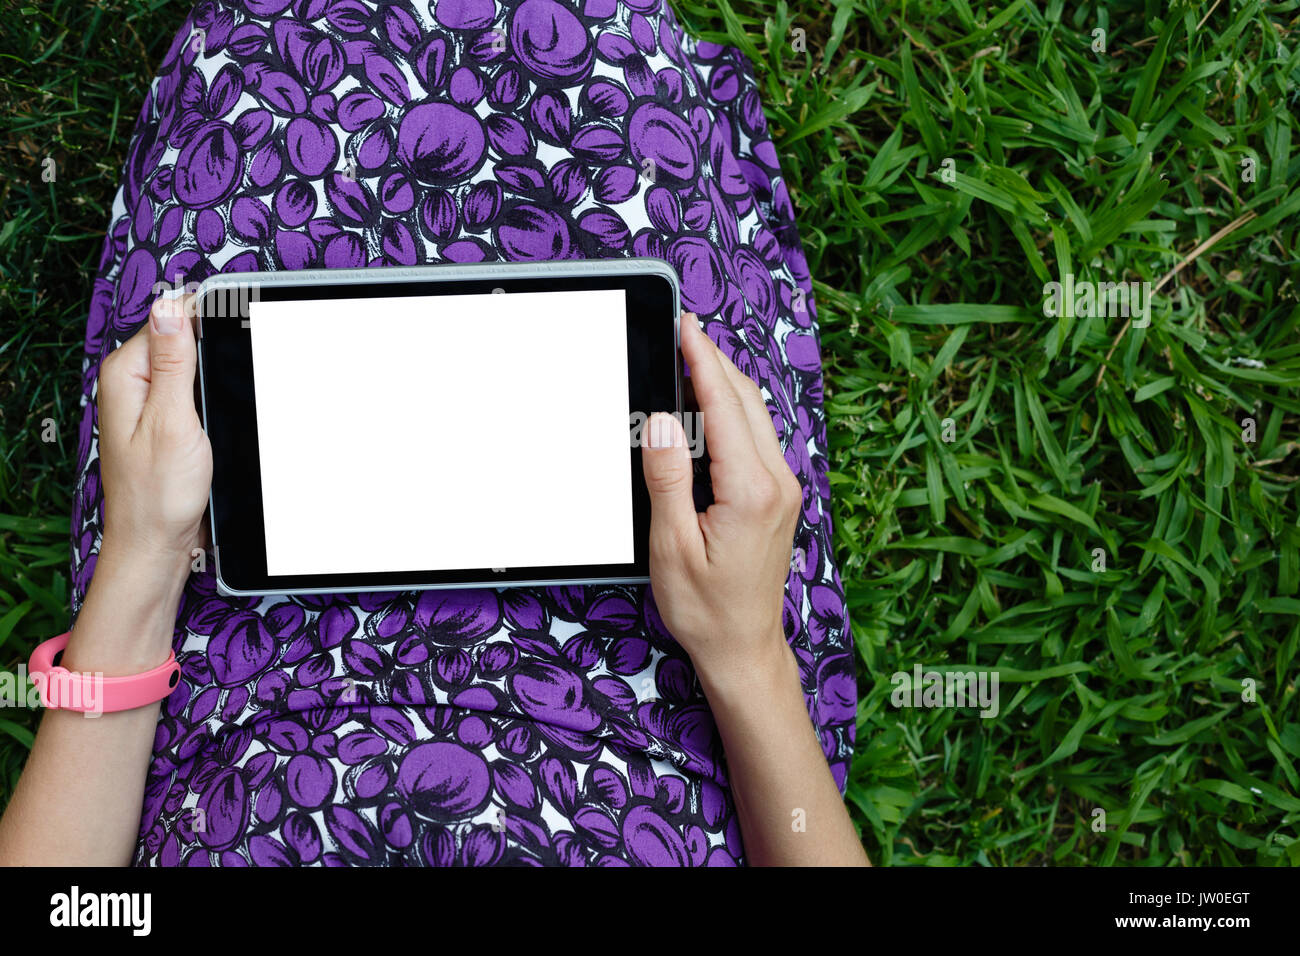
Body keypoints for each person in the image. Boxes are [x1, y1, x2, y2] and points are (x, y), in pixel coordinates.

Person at [0, 0, 863, 866]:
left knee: (270, 68)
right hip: (665, 659)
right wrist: (748, 652)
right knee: (598, 69)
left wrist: (144, 561)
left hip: (227, 639)